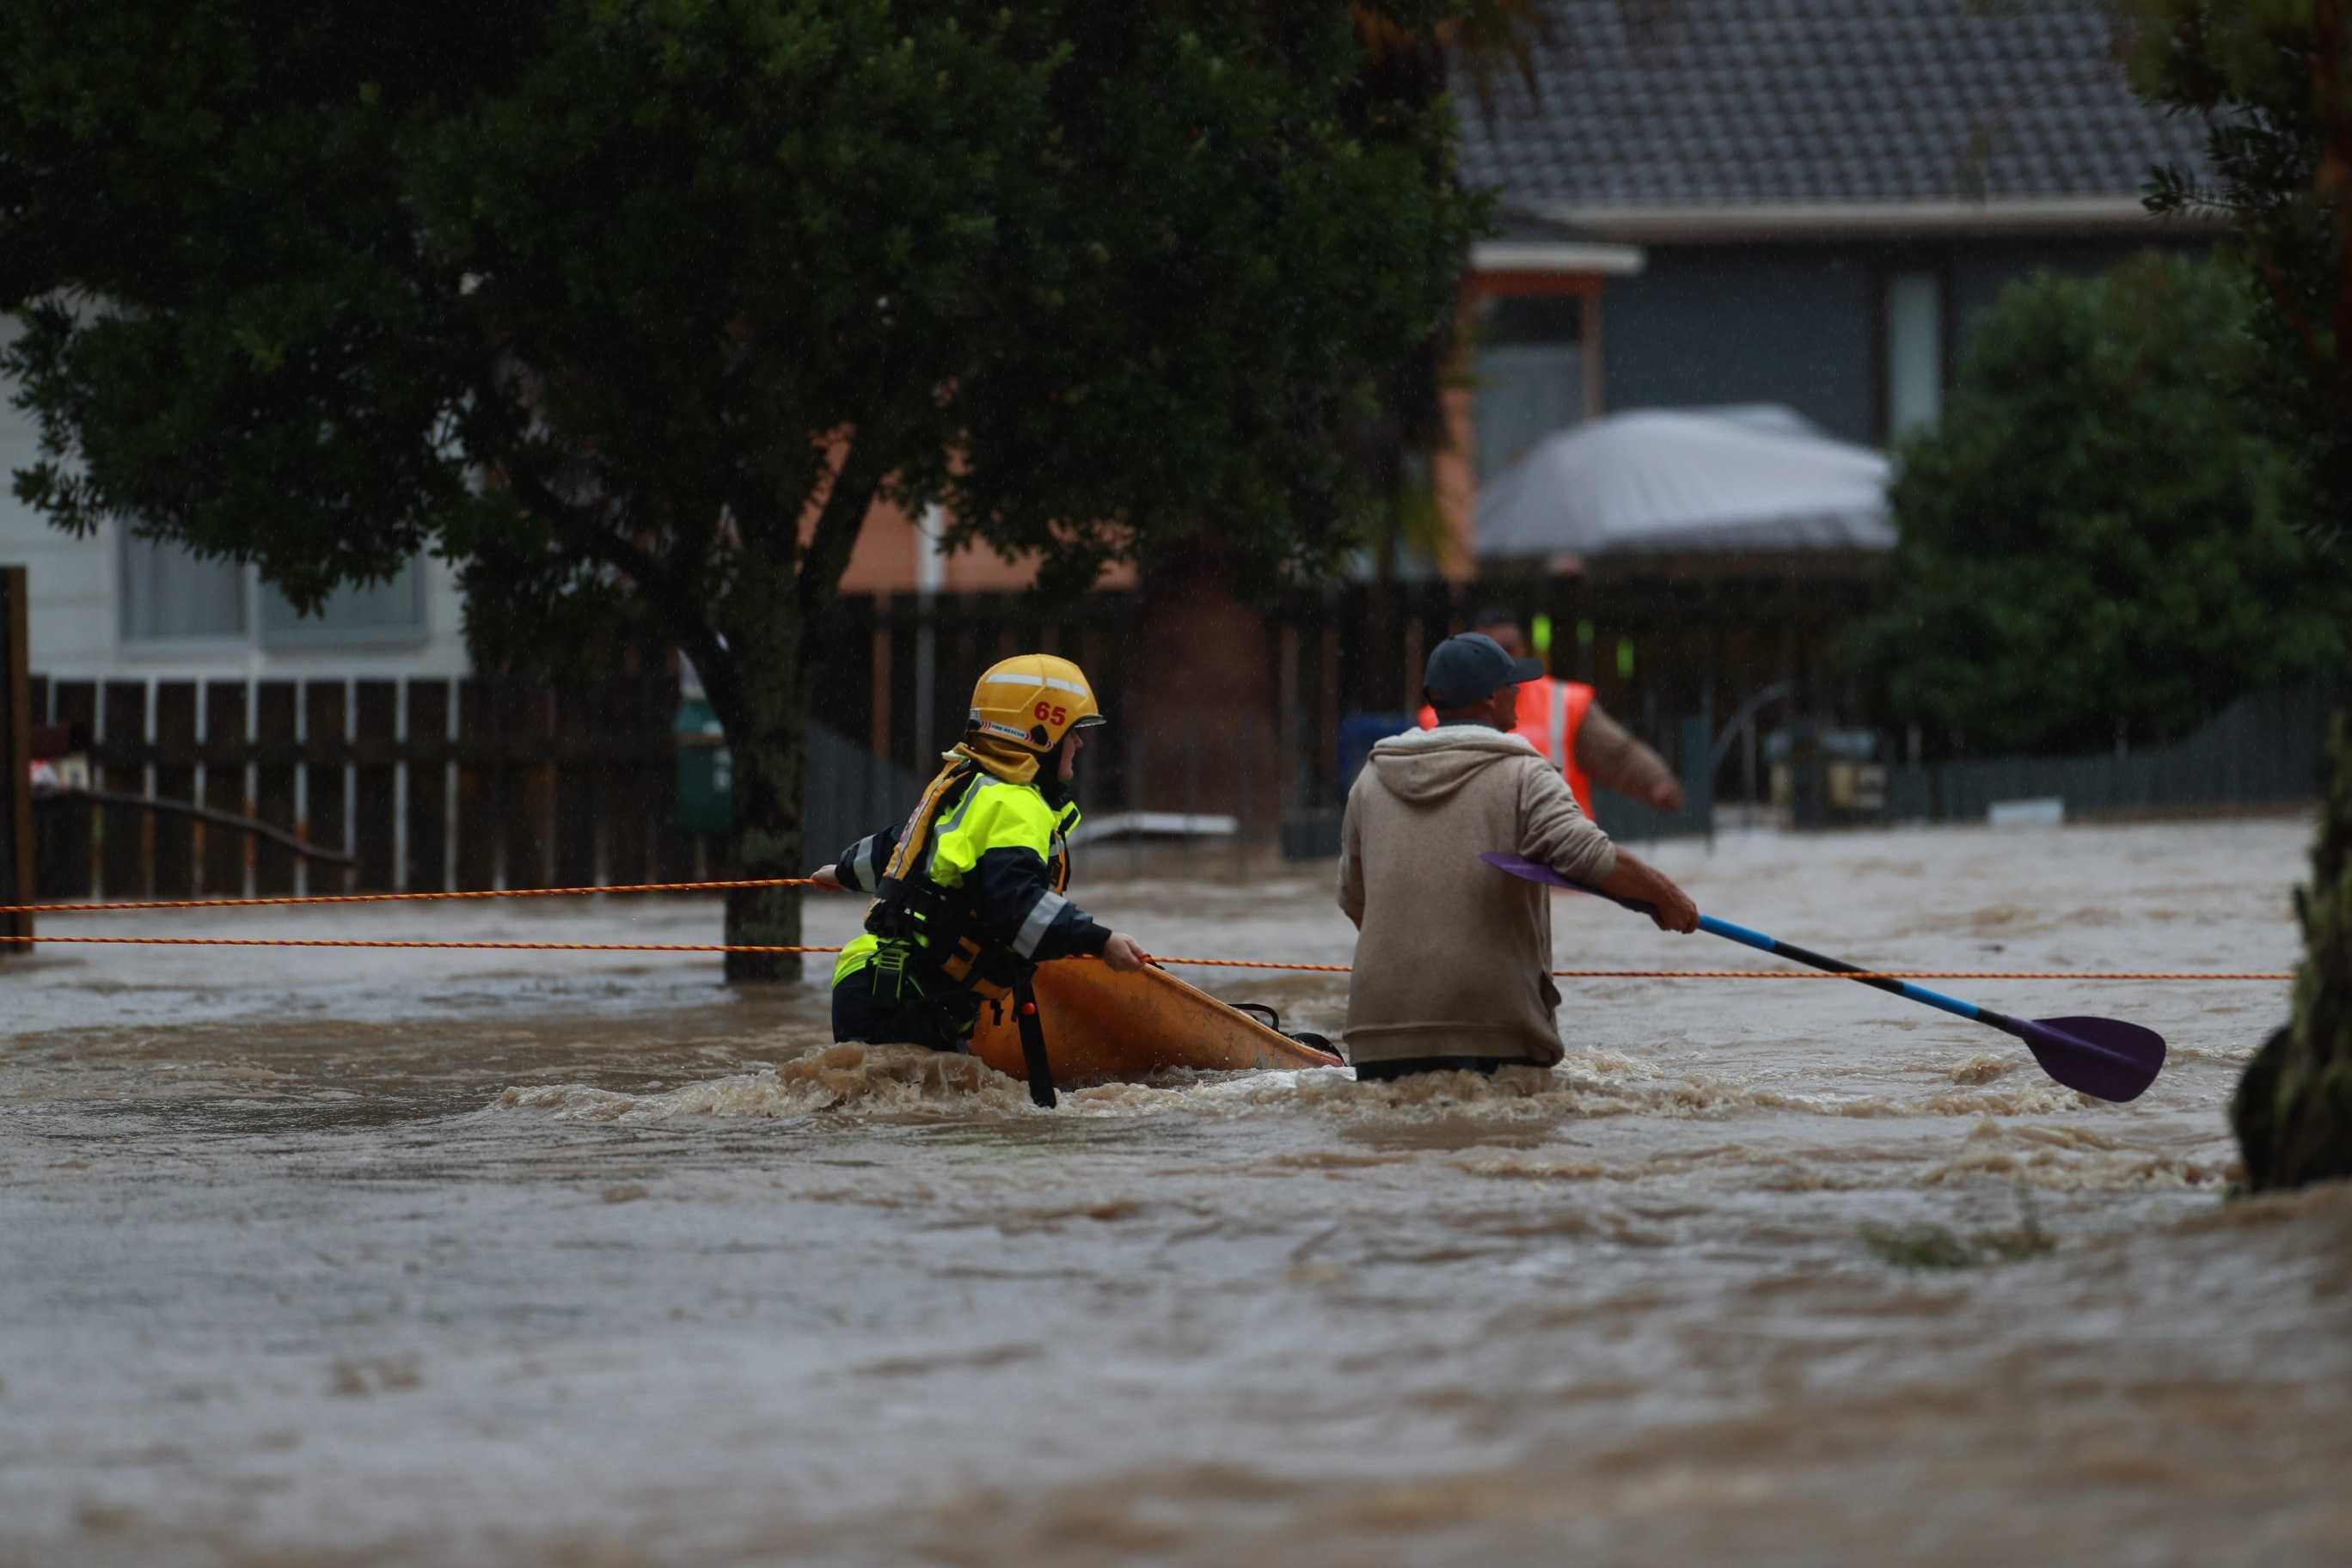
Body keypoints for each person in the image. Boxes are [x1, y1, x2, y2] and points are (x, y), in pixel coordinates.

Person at [1341, 632, 1700, 1081]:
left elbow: (1354, 900)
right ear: (1494, 697)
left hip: (1378, 1035)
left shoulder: (1370, 780)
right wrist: (1665, 896)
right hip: (1492, 1032)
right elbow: (1588, 856)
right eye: (1515, 684)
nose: (1521, 693)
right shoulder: (1524, 772)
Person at [812, 654, 1151, 1058]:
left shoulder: (967, 783)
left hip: (873, 982)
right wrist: (1103, 941)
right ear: (1040, 734)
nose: (1079, 743)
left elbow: (902, 849)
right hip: (906, 998)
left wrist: (841, 872)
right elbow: (1017, 905)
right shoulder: (1015, 804)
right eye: (1073, 731)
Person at [1415, 609, 1683, 817]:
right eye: (1493, 652)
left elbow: (1616, 754)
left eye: (1509, 649)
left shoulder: (1563, 702)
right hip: (1487, 861)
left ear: (1523, 646)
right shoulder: (1434, 718)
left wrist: (1654, 782)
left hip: (1563, 857)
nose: (1505, 661)